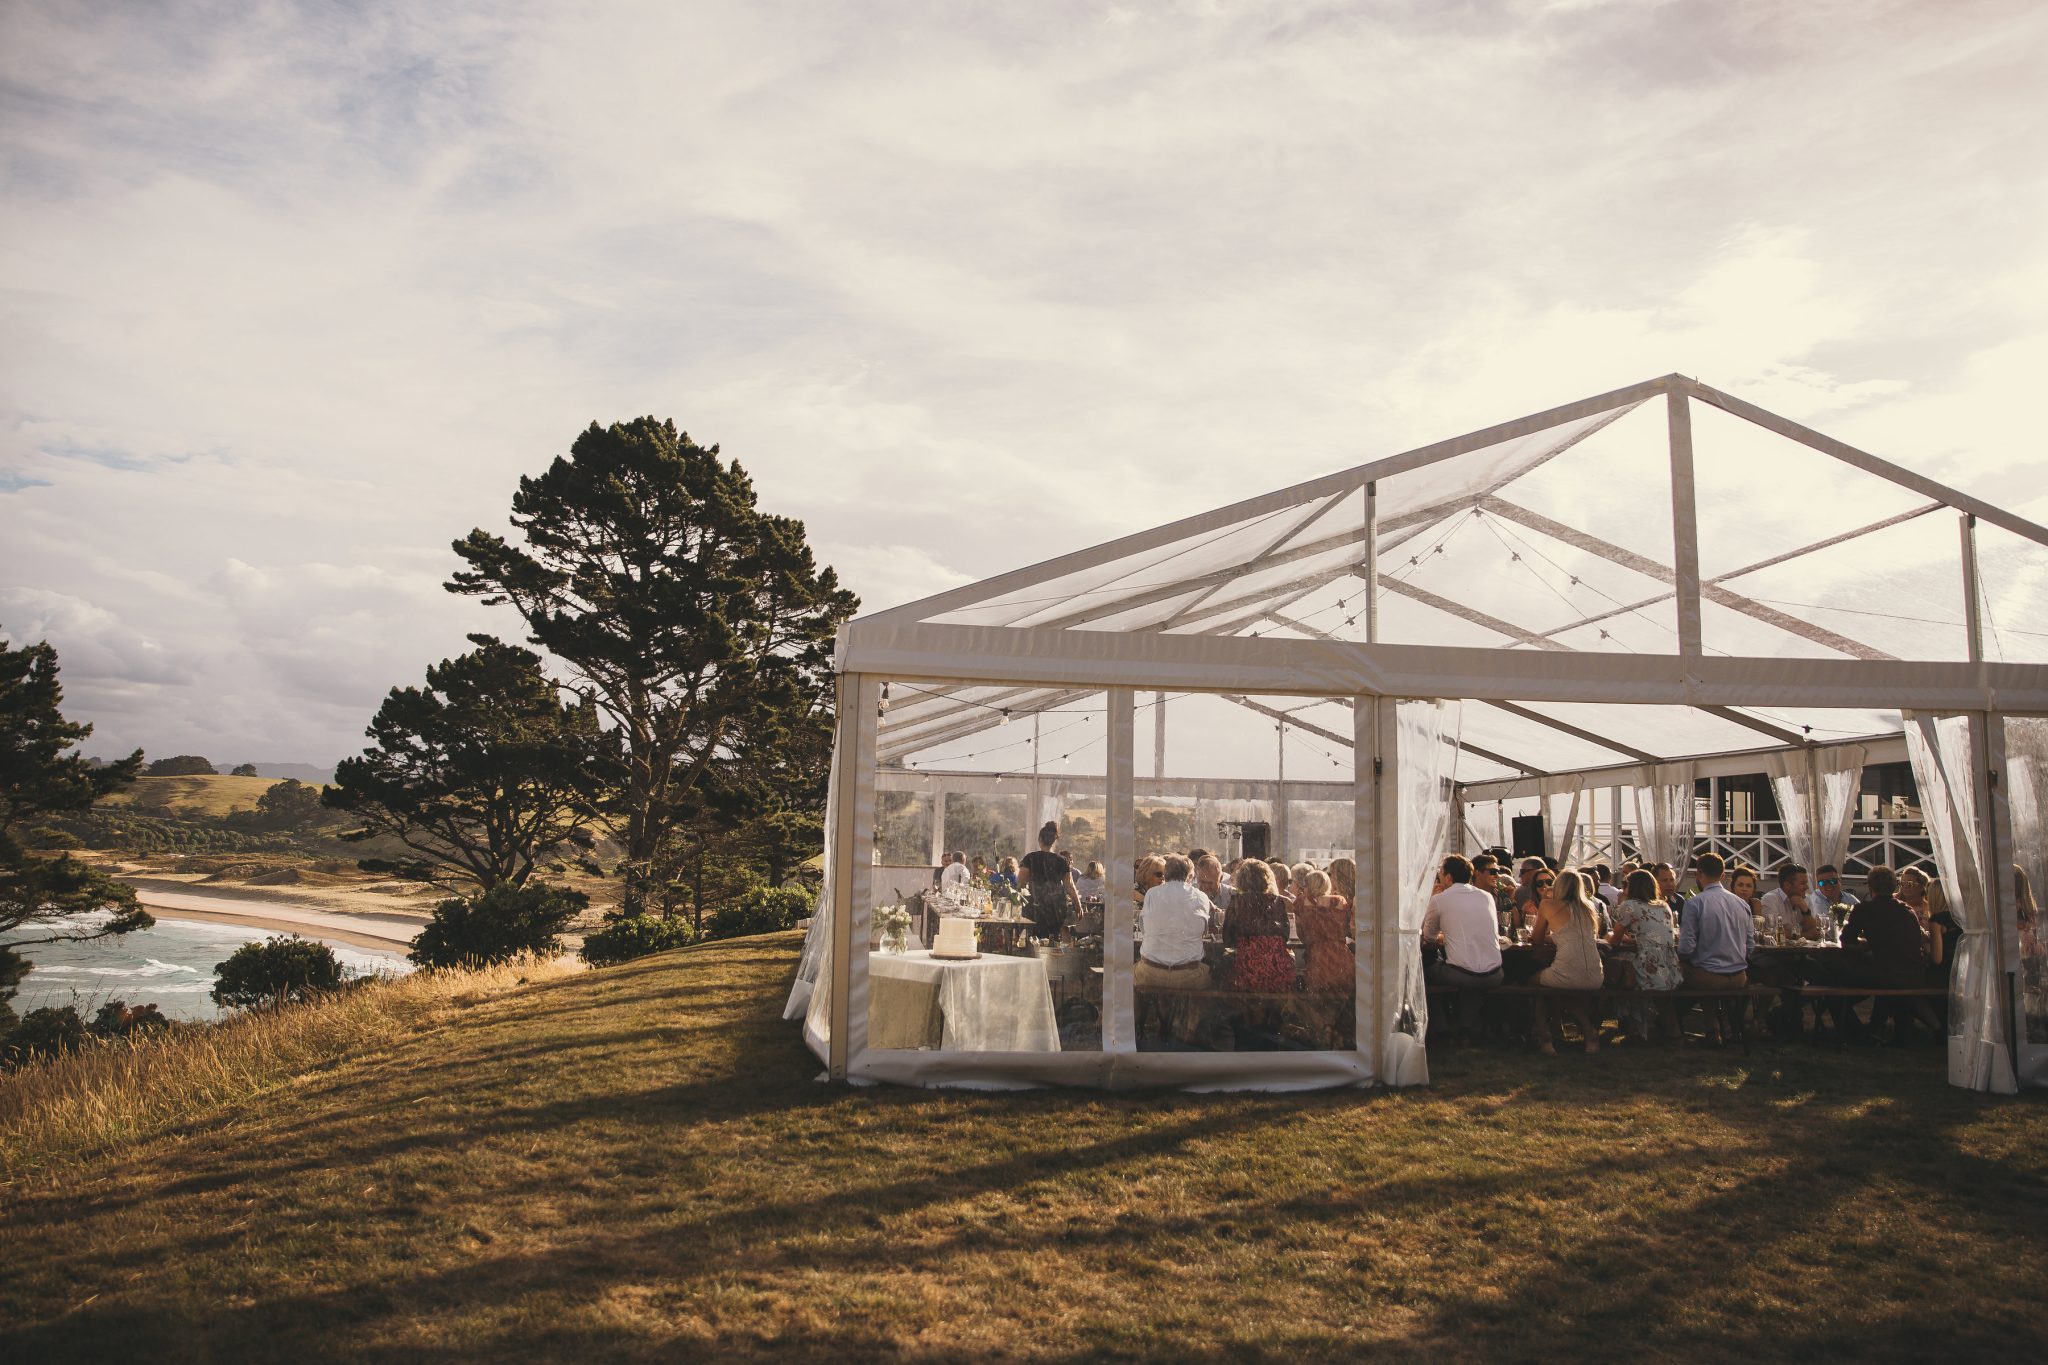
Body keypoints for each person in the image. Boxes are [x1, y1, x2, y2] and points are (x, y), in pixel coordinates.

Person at [1423, 854, 1503, 1044]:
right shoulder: (1487, 897)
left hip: (1463, 974)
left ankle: (1443, 1029)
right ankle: (1464, 1028)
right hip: (1495, 973)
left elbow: (1428, 938)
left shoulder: (1440, 900)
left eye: (1441, 874)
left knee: (1425, 971)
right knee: (1472, 971)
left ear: (1448, 877)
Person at [1678, 852, 1755, 1043]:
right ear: (1723, 875)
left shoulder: (1695, 903)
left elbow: (1686, 948)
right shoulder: (1742, 904)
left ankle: (1675, 1025)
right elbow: (1750, 946)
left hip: (1708, 977)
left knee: (1678, 970)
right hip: (1739, 976)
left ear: (1699, 874)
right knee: (1703, 969)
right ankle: (1720, 1025)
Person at [1529, 868, 1604, 1054]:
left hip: (1566, 974)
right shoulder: (1589, 908)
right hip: (1596, 974)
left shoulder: (1548, 905)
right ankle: (1587, 1030)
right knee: (1563, 989)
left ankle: (1545, 1036)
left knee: (1535, 985)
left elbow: (1536, 939)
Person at [1608, 867, 1680, 1042]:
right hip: (1670, 965)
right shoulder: (1664, 906)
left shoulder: (1630, 906)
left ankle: (1629, 1024)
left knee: (1614, 970)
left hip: (1650, 965)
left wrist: (1609, 936)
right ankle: (1644, 1027)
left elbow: (1615, 939)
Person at [1137, 854, 1214, 991]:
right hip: (1189, 976)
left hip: (1151, 973)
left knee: (1127, 974)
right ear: (1189, 875)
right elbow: (1203, 933)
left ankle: (1141, 1012)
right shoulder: (1201, 896)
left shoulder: (1151, 894)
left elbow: (1144, 931)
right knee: (1214, 978)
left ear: (1166, 874)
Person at [1223, 859, 1295, 992]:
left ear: (1241, 879)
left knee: (1223, 968)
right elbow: (1285, 935)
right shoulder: (1278, 902)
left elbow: (1228, 939)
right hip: (1276, 969)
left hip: (1246, 970)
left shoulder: (1237, 902)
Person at [1019, 821, 1081, 942]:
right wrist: (1078, 904)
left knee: (1034, 938)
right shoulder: (1062, 861)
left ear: (1039, 839)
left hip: (1035, 905)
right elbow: (1070, 885)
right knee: (1053, 938)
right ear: (1054, 841)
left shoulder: (1030, 858)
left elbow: (1020, 883)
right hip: (1056, 906)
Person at [1296, 868, 1353, 994]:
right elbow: (1347, 928)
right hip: (1341, 958)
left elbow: (1300, 934)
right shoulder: (1340, 901)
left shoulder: (1301, 903)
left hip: (1317, 958)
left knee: (1318, 1000)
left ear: (1309, 886)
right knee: (1341, 998)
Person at [1760, 863, 1823, 943]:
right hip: (1777, 952)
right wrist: (1807, 936)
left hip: (1803, 951)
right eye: (1802, 883)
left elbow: (1814, 931)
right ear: (1787, 885)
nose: (1807, 887)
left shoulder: (1806, 899)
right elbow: (1774, 933)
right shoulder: (1770, 899)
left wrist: (1805, 911)